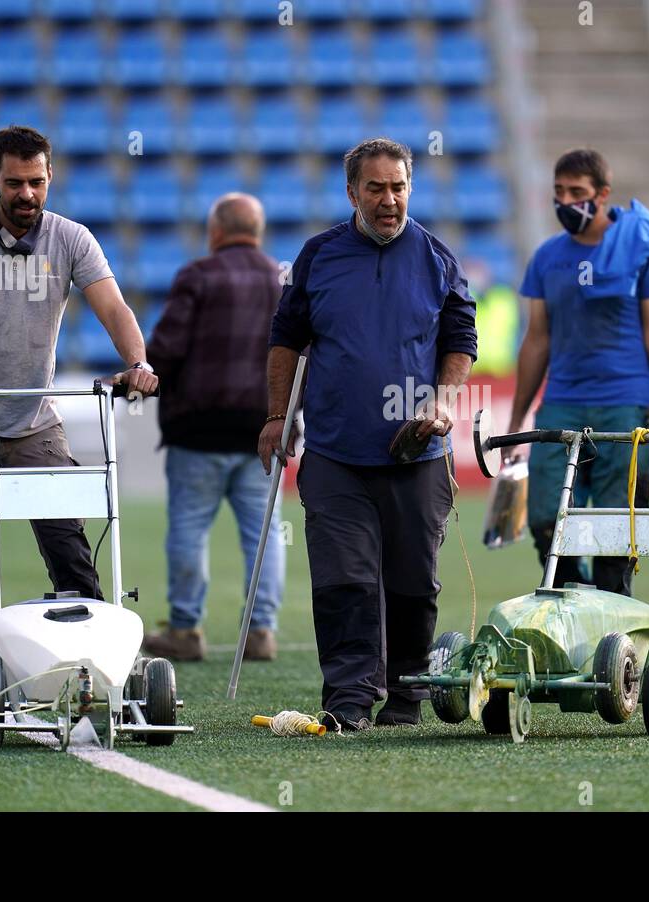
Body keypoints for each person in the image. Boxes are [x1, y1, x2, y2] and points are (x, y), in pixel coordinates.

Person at [0, 126, 158, 736]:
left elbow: (113, 308)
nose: (26, 193)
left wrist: (139, 364)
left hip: (34, 419)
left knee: (70, 547)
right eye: (14, 181)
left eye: (36, 181)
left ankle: (93, 680)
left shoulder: (71, 239)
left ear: (50, 178)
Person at [263, 138, 477, 732]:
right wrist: (278, 416)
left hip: (418, 455)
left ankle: (405, 698)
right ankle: (350, 699)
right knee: (343, 579)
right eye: (376, 188)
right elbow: (285, 339)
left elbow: (461, 340)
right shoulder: (318, 256)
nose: (389, 200)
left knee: (413, 584)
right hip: (335, 451)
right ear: (352, 191)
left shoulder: (437, 257)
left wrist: (442, 401)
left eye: (399, 187)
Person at [508, 148, 649, 595]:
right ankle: (575, 598)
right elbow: (537, 340)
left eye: (577, 192)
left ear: (603, 194)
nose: (566, 202)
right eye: (559, 192)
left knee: (615, 530)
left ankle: (614, 620)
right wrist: (516, 423)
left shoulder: (641, 253)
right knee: (547, 518)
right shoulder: (546, 257)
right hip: (561, 404)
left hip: (626, 406)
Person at [143, 193, 285, 663]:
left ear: (217, 231)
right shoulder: (282, 280)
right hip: (263, 430)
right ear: (257, 231)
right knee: (264, 535)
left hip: (198, 430)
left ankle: (186, 629)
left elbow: (163, 351)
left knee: (188, 530)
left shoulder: (198, 276)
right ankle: (261, 630)